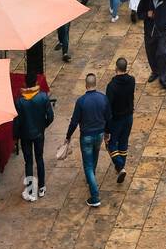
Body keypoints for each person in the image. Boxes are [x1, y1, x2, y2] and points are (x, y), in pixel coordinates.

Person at [64, 72, 112, 208]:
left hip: (86, 136)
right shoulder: (103, 99)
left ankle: (95, 195)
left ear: (86, 85)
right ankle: (92, 177)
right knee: (95, 156)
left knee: (88, 165)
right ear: (95, 84)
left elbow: (74, 122)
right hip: (99, 134)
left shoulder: (81, 101)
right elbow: (109, 117)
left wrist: (68, 136)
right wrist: (107, 133)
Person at [15, 73, 54, 200]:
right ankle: (42, 187)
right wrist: (43, 126)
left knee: (28, 162)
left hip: (25, 135)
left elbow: (17, 122)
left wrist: (16, 135)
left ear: (25, 84)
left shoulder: (19, 101)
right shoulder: (43, 97)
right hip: (39, 134)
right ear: (36, 82)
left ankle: (31, 190)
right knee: (39, 159)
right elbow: (50, 117)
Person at [105, 57, 135, 184]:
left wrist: (106, 128)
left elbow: (108, 107)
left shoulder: (111, 86)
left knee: (111, 144)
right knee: (123, 143)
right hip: (128, 117)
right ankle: (120, 169)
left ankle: (120, 166)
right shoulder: (132, 81)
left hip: (116, 119)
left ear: (116, 68)